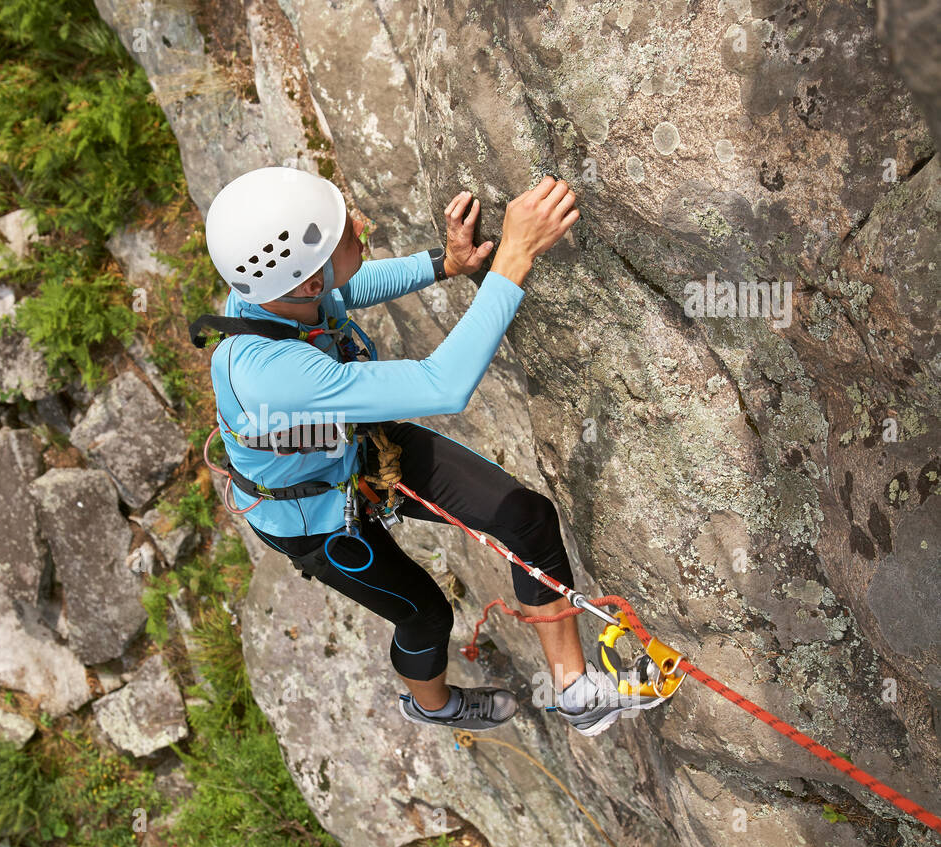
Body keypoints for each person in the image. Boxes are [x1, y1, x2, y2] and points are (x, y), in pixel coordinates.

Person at [200, 166, 663, 736]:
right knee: (425, 614)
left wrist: (446, 264)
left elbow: (344, 288)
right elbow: (444, 385)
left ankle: (575, 692)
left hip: (357, 448)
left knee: (526, 516)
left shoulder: (274, 295)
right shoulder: (276, 373)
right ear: (305, 284)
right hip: (310, 516)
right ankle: (433, 704)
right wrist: (515, 255)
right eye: (345, 229)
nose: (360, 226)